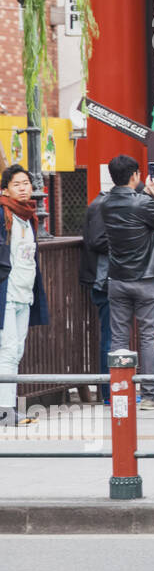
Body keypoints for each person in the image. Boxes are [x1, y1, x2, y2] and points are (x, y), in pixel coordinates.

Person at [102, 155, 154, 411]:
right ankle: (150, 395)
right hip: (145, 279)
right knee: (147, 338)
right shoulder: (142, 202)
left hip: (118, 278)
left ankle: (121, 392)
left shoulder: (105, 203)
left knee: (119, 336)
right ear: (134, 175)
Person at [0, 166, 47, 426]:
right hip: (6, 292)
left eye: (26, 183)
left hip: (24, 293)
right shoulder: (3, 213)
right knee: (7, 351)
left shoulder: (28, 217)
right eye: (17, 184)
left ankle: (8, 407)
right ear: (5, 189)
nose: (23, 187)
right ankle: (5, 410)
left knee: (16, 351)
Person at [80, 186, 113, 403]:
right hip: (105, 281)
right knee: (111, 337)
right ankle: (110, 392)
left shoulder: (101, 203)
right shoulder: (103, 206)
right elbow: (98, 241)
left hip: (106, 280)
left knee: (112, 337)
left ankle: (112, 391)